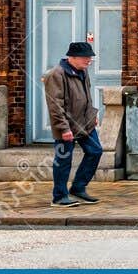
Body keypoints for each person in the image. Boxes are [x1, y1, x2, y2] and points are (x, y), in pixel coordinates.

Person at [42, 40, 102, 206]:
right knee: (63, 160)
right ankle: (59, 196)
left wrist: (92, 115)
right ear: (72, 57)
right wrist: (63, 128)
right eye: (85, 57)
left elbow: (86, 96)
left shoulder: (83, 71)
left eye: (90, 57)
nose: (89, 60)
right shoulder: (56, 74)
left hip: (85, 123)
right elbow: (55, 105)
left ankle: (78, 188)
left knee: (95, 151)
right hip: (66, 126)